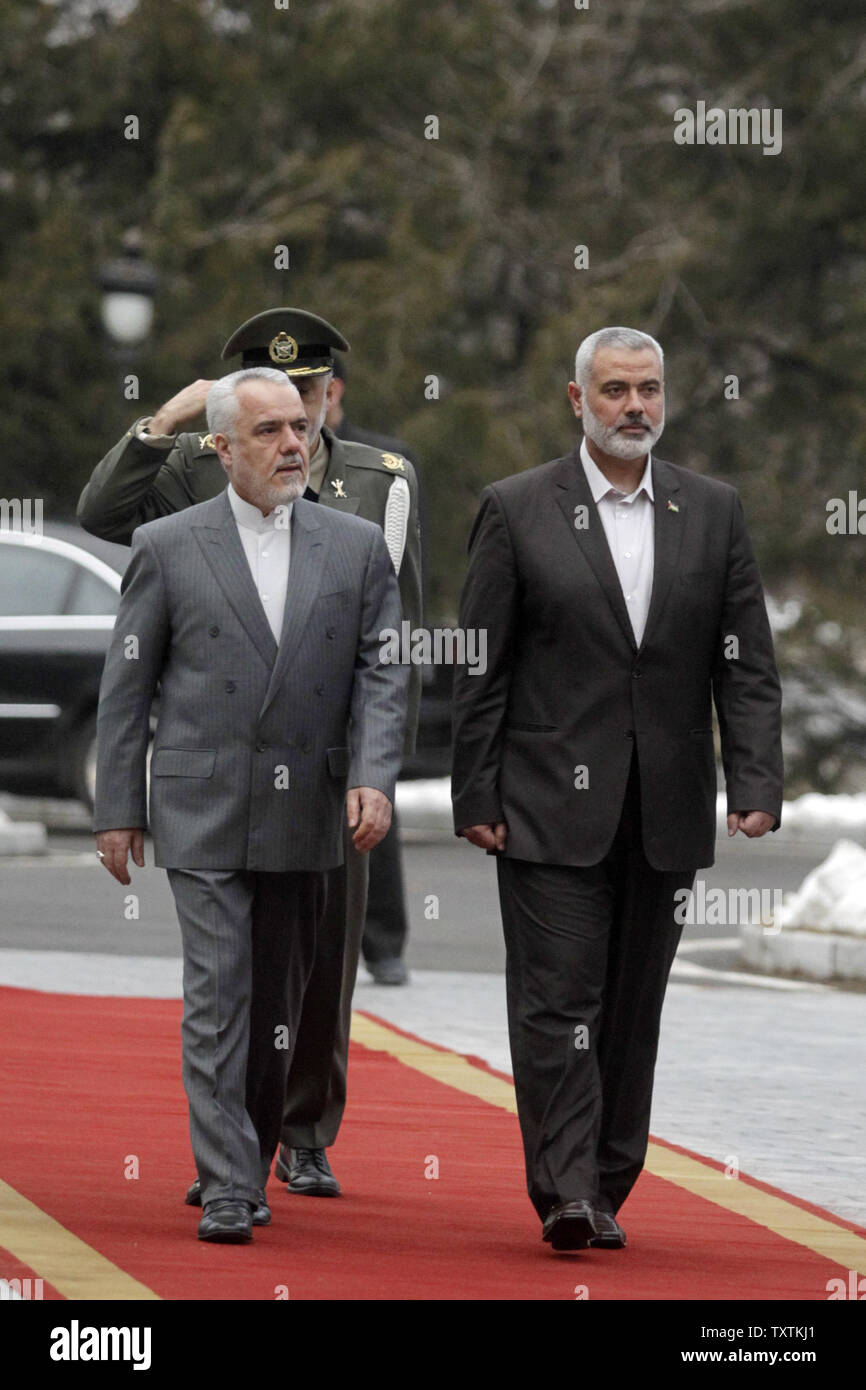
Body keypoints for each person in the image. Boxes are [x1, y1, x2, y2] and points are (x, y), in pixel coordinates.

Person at [451, 326, 783, 1252]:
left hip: (666, 810)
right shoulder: (517, 510)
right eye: (614, 391)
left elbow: (746, 664)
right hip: (548, 804)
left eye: (648, 389)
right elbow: (482, 665)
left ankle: (607, 1178)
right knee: (560, 1000)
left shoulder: (713, 512)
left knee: (633, 1004)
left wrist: (755, 776)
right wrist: (474, 792)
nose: (634, 406)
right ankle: (564, 1191)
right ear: (576, 400)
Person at [78, 308, 421, 1201]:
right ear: (227, 437)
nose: (292, 429)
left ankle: (298, 1130)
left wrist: (377, 773)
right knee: (221, 991)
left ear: (330, 398)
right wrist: (167, 419)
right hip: (212, 788)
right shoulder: (195, 469)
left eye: (306, 404)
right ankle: (232, 1172)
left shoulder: (375, 488)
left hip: (323, 783)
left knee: (305, 984)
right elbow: (105, 523)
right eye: (268, 415)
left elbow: (391, 650)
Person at [326, 354, 418, 986]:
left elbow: (407, 573)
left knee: (371, 807)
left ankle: (383, 943)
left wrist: (405, 667)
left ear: (334, 390)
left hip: (366, 662)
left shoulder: (384, 464)